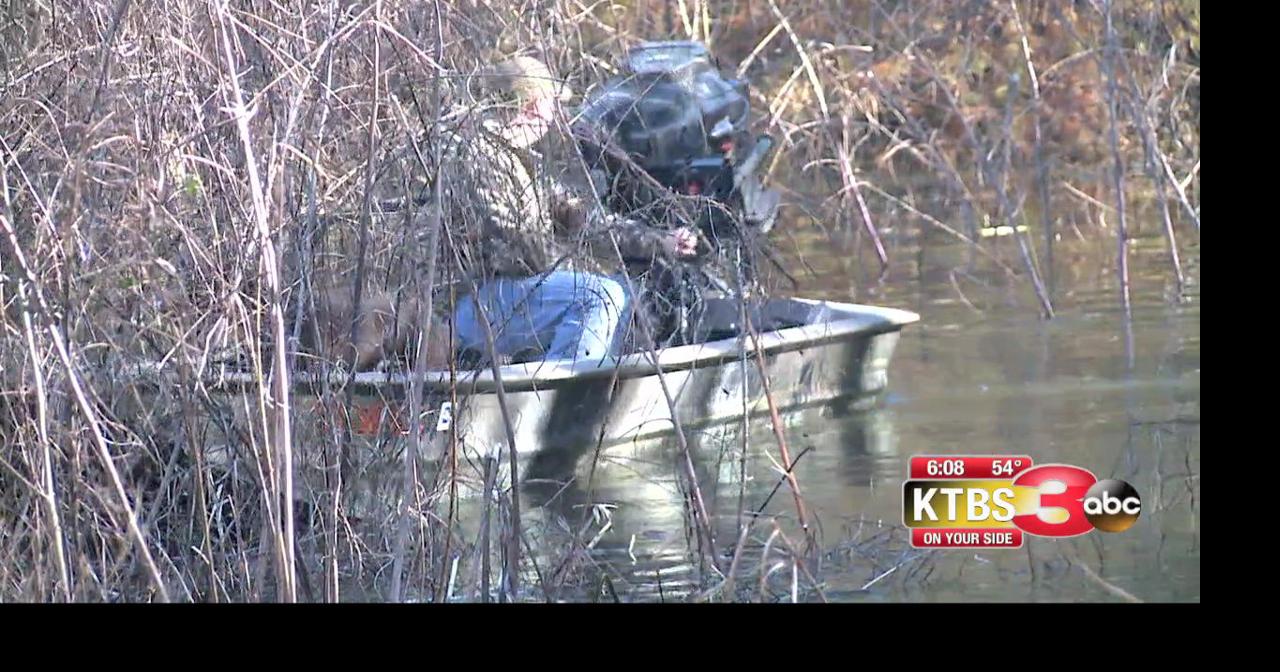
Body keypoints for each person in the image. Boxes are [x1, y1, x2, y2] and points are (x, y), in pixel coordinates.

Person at [437, 56, 699, 365]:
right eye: (551, 104)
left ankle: (591, 384)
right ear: (533, 107)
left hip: (510, 299)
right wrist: (578, 264)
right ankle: (564, 390)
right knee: (599, 296)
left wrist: (660, 241)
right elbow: (521, 253)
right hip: (475, 305)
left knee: (623, 293)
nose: (554, 115)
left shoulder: (521, 161)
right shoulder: (481, 158)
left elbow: (587, 222)